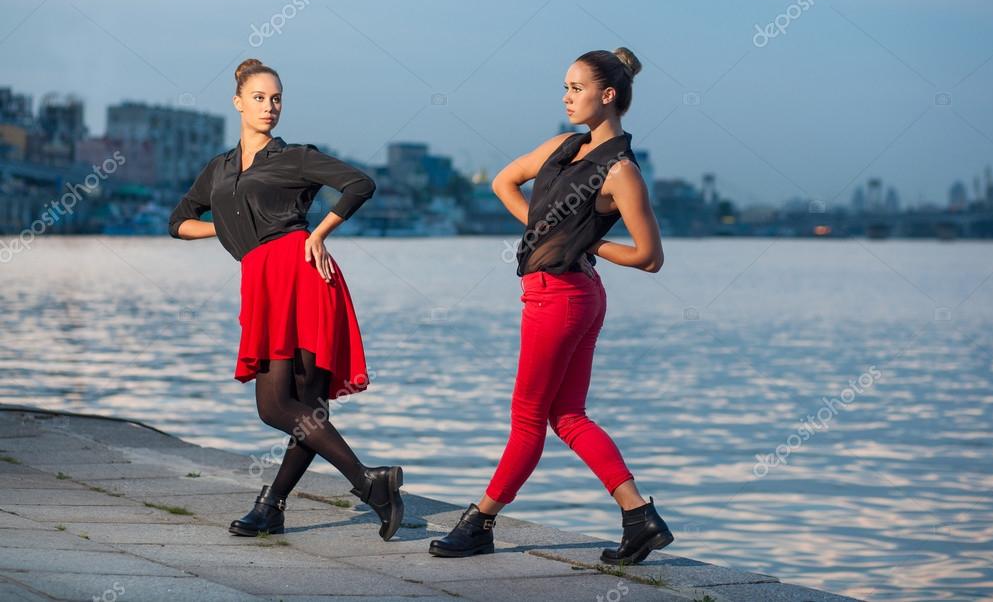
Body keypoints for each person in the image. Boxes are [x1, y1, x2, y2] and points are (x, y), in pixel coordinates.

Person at [429, 47, 673, 564]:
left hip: (564, 298)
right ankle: (639, 519)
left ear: (608, 96)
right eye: (564, 87)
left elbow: (650, 257)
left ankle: (480, 522)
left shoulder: (621, 171)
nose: (567, 97)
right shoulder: (564, 146)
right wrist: (549, 230)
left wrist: (585, 242)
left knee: (527, 418)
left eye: (577, 88)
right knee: (567, 414)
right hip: (558, 293)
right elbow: (503, 181)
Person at [167, 58, 403, 541]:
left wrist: (319, 233)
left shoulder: (295, 156)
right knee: (305, 408)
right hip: (261, 281)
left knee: (278, 406)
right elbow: (179, 222)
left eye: (276, 99)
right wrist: (227, 228)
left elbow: (361, 184)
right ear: (238, 102)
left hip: (303, 275)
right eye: (259, 98)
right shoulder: (219, 169)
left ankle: (365, 483)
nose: (269, 107)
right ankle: (274, 506)